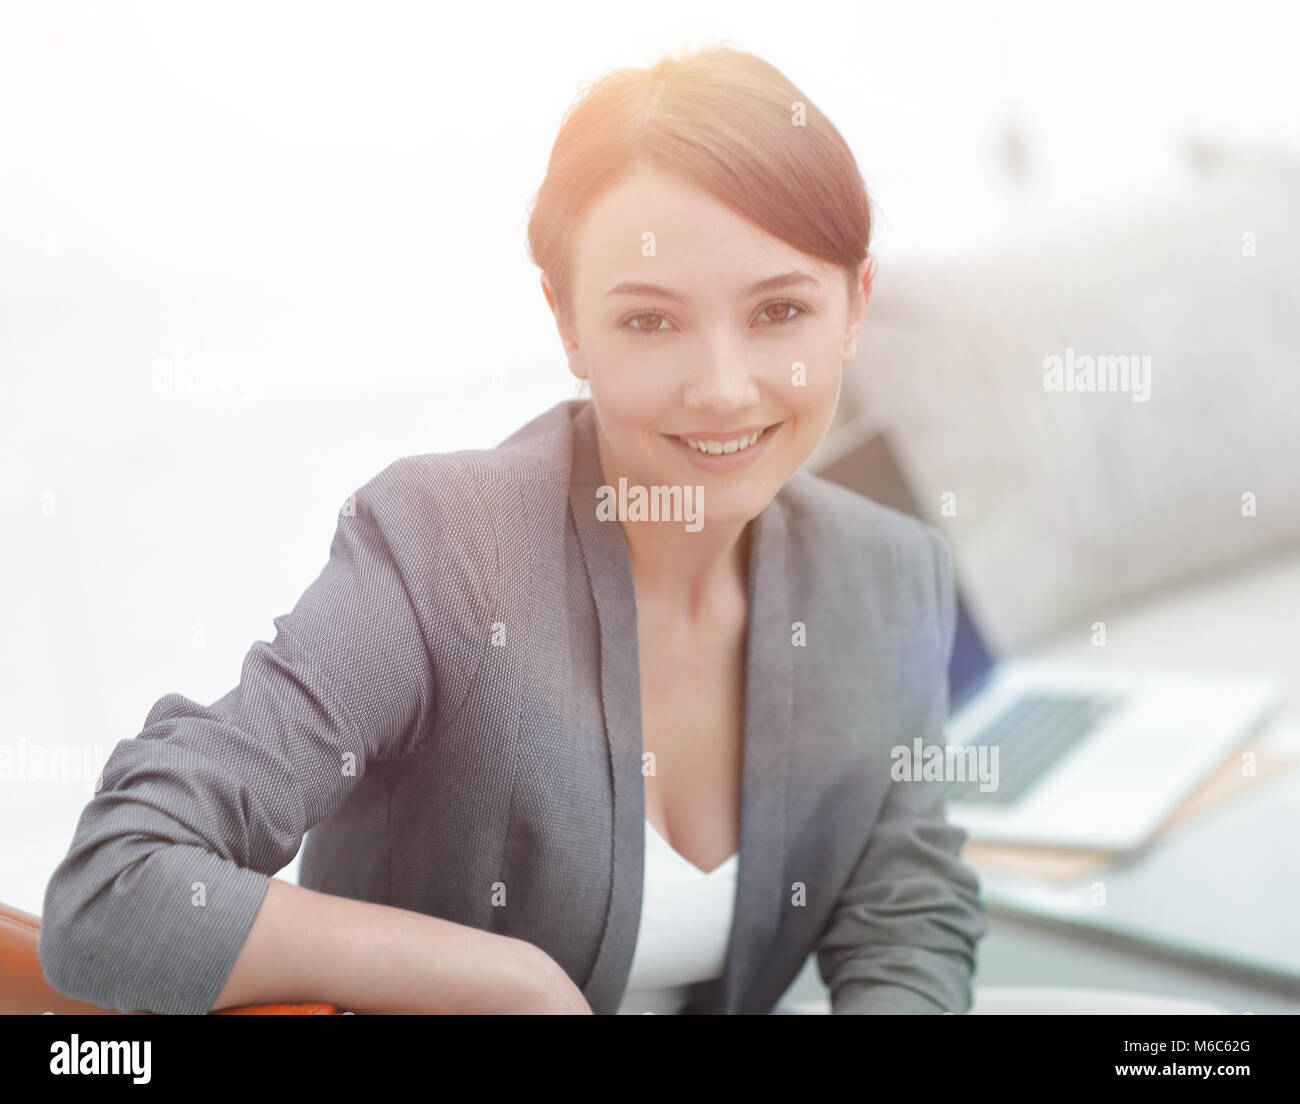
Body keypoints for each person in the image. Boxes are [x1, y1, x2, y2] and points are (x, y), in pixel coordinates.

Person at [38, 44, 987, 1016]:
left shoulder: (886, 575)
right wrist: (507, 981)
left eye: (780, 310)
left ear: (854, 308)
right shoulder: (443, 552)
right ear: (568, 321)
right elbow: (116, 887)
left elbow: (904, 911)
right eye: (651, 323)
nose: (721, 388)